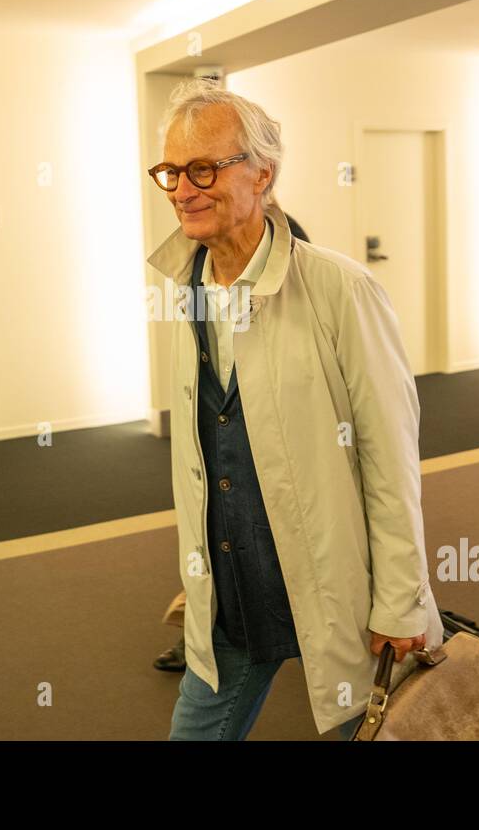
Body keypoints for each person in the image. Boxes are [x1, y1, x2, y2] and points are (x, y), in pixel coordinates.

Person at [146, 77, 443, 739]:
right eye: (170, 171)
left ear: (263, 174)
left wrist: (401, 601)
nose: (182, 190)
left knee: (366, 731)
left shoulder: (340, 289)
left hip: (335, 585)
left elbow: (388, 456)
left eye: (203, 169)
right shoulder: (184, 288)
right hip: (231, 585)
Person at [151, 212, 311, 675]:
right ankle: (203, 632)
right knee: (221, 544)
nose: (187, 193)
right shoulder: (194, 266)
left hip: (274, 439)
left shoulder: (294, 248)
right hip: (220, 444)